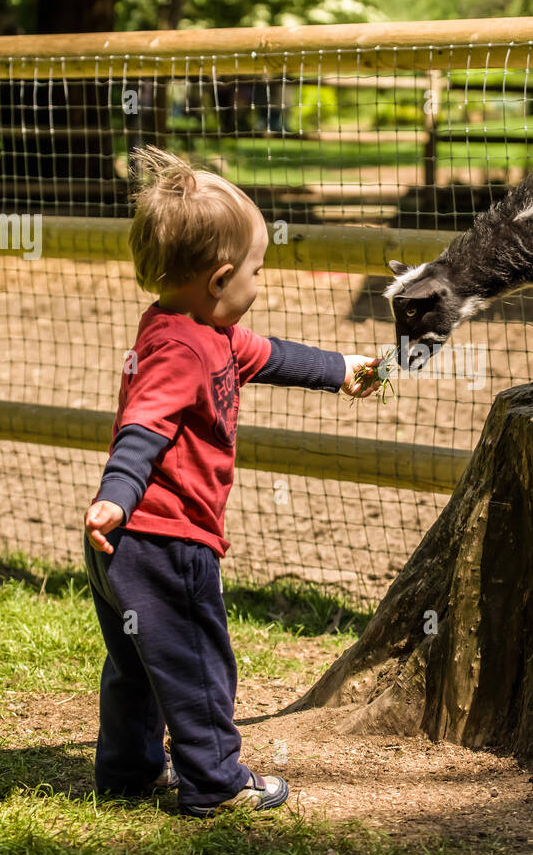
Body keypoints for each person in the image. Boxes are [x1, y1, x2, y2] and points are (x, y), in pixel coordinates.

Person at [83, 147, 378, 816]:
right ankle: (215, 782)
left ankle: (128, 771)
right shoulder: (181, 350)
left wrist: (341, 368)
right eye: (256, 270)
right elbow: (143, 427)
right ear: (220, 278)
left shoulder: (195, 328)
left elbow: (271, 355)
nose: (259, 283)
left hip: (122, 543)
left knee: (137, 665)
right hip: (160, 538)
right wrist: (117, 496)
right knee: (197, 665)